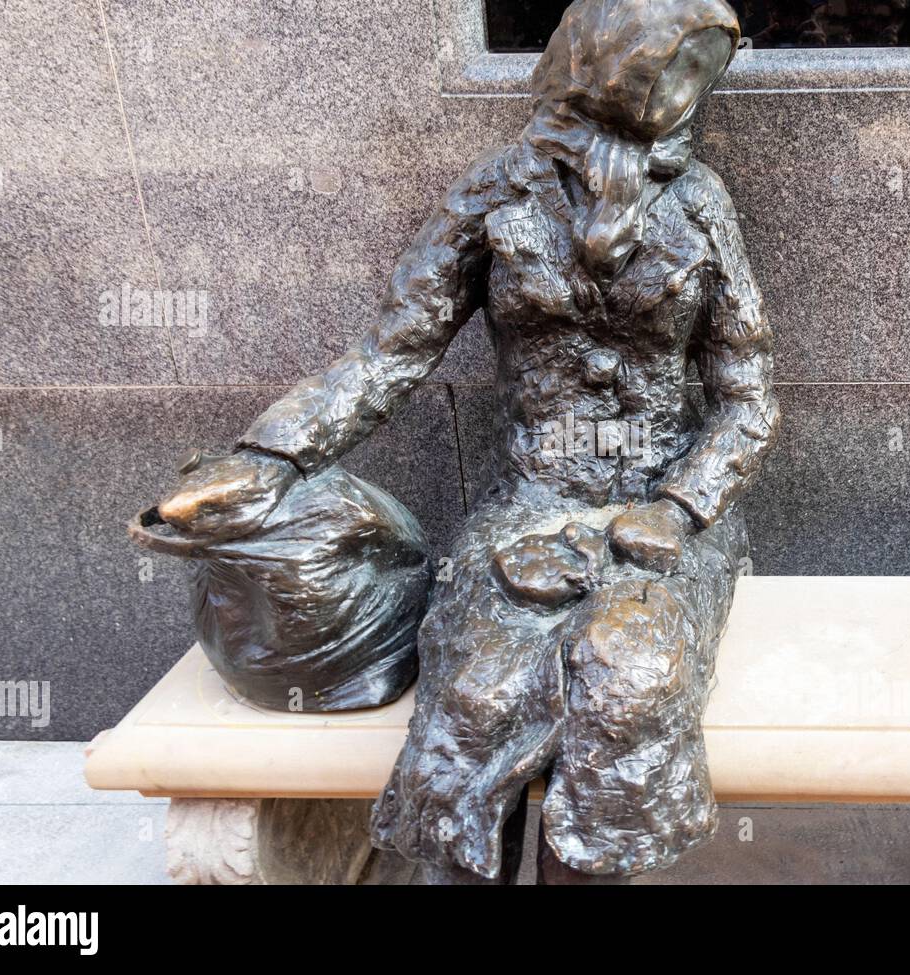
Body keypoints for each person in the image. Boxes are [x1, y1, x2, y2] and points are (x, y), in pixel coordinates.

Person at [154, 0, 779, 884]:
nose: (679, 95)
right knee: (474, 693)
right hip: (531, 503)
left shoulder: (703, 207)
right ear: (596, 66)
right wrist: (271, 457)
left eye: (693, 77)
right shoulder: (495, 196)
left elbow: (749, 403)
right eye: (663, 70)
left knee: (628, 671)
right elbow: (391, 352)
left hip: (665, 509)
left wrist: (680, 509)